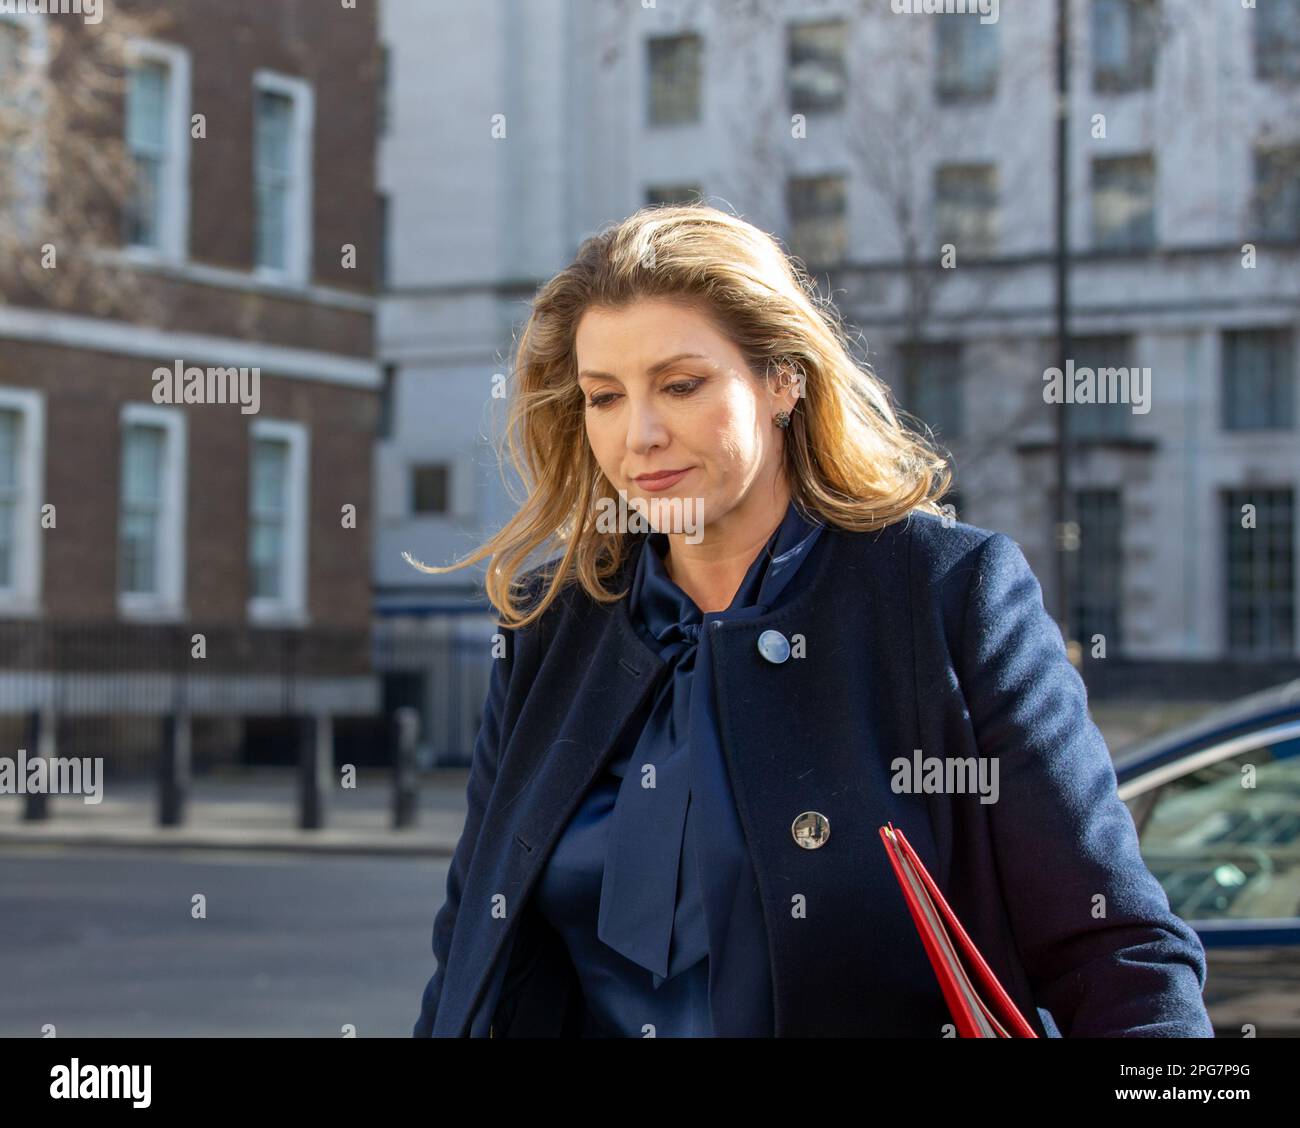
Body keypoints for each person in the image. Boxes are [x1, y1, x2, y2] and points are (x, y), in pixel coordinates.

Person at [410, 204, 1214, 1038]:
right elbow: (470, 951)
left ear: (782, 380)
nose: (639, 435)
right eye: (604, 397)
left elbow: (1117, 952)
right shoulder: (553, 626)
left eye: (681, 385)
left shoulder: (946, 594)